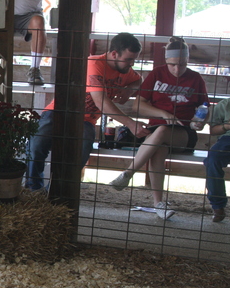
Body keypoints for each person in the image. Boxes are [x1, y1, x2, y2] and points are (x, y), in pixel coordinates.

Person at [26, 32, 143, 192]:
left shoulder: (125, 70)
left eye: (134, 60)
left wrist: (129, 89)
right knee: (37, 143)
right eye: (129, 59)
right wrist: (130, 123)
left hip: (86, 120)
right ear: (114, 54)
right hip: (58, 111)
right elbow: (101, 102)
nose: (132, 64)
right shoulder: (94, 63)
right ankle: (32, 189)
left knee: (81, 150)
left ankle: (54, 191)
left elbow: (138, 79)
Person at [109, 37, 210, 220]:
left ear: (188, 60)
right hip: (156, 132)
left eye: (182, 64)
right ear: (166, 61)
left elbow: (204, 108)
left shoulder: (195, 78)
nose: (177, 69)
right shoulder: (157, 74)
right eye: (172, 65)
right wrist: (163, 113)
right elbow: (138, 105)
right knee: (159, 147)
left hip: (183, 133)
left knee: (161, 132)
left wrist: (199, 122)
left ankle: (128, 173)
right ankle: (158, 204)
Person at [204, 80, 230, 223]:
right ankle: (217, 206)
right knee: (212, 160)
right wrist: (227, 127)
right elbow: (213, 130)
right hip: (228, 139)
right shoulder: (223, 105)